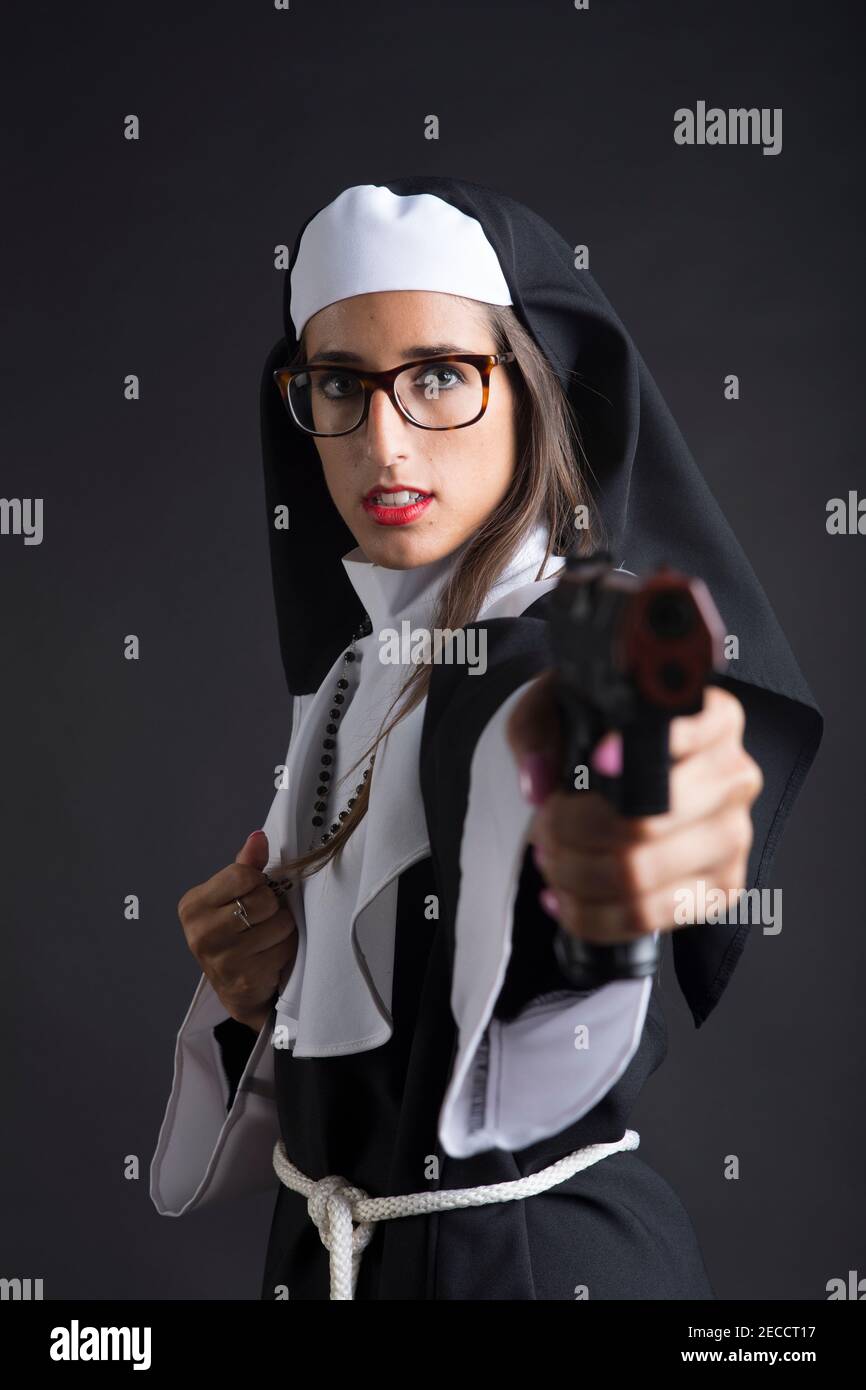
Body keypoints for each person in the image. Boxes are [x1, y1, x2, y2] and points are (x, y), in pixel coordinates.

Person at [149, 177, 822, 1300]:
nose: (382, 439)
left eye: (439, 377)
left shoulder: (548, 645)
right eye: (338, 385)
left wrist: (642, 799)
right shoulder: (350, 675)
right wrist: (249, 990)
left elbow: (569, 728)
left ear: (532, 384)